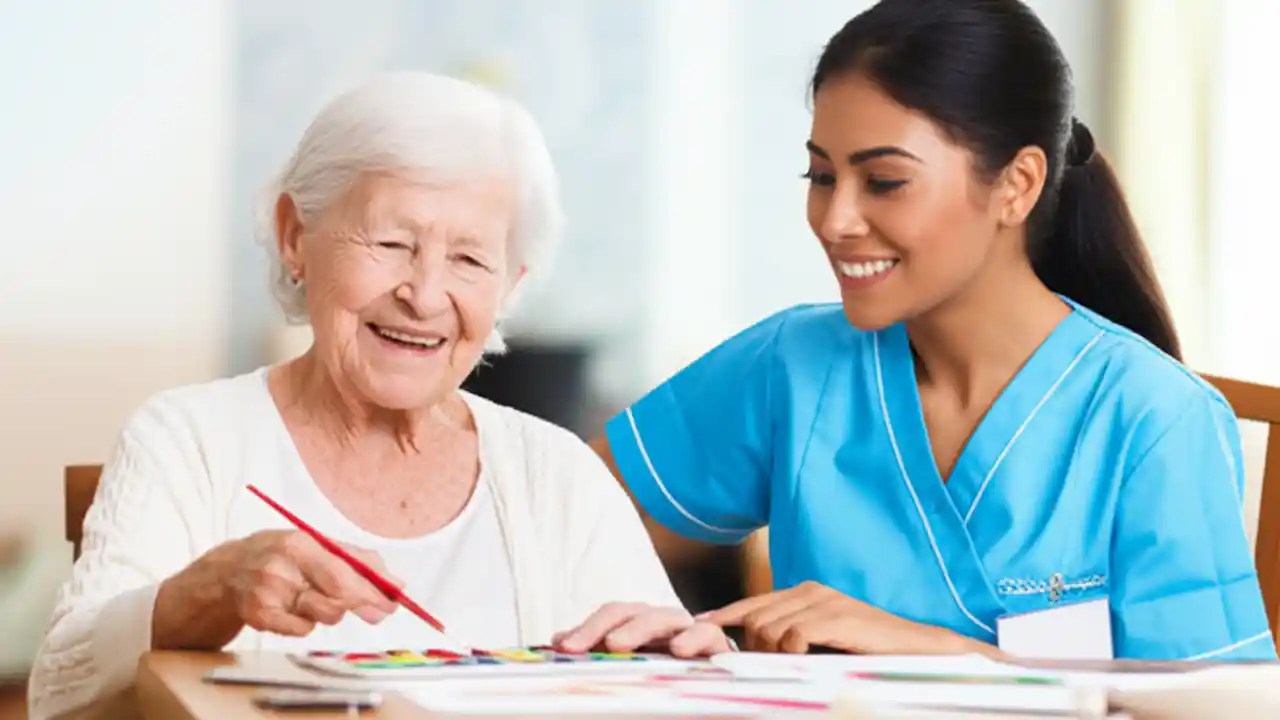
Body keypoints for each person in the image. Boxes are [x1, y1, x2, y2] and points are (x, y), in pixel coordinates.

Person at [557, 0, 1277, 661]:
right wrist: (655, 624)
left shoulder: (1155, 419)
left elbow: (1216, 706)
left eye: (885, 182)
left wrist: (937, 655)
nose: (835, 221)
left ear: (1017, 186)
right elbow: (555, 520)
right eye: (819, 176)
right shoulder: (792, 366)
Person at [28, 72, 703, 719]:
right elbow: (58, 697)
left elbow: (675, 679)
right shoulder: (188, 440)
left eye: (469, 260)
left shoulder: (556, 475)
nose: (424, 294)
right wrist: (203, 595)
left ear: (511, 284)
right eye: (391, 242)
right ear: (296, 235)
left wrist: (685, 665)